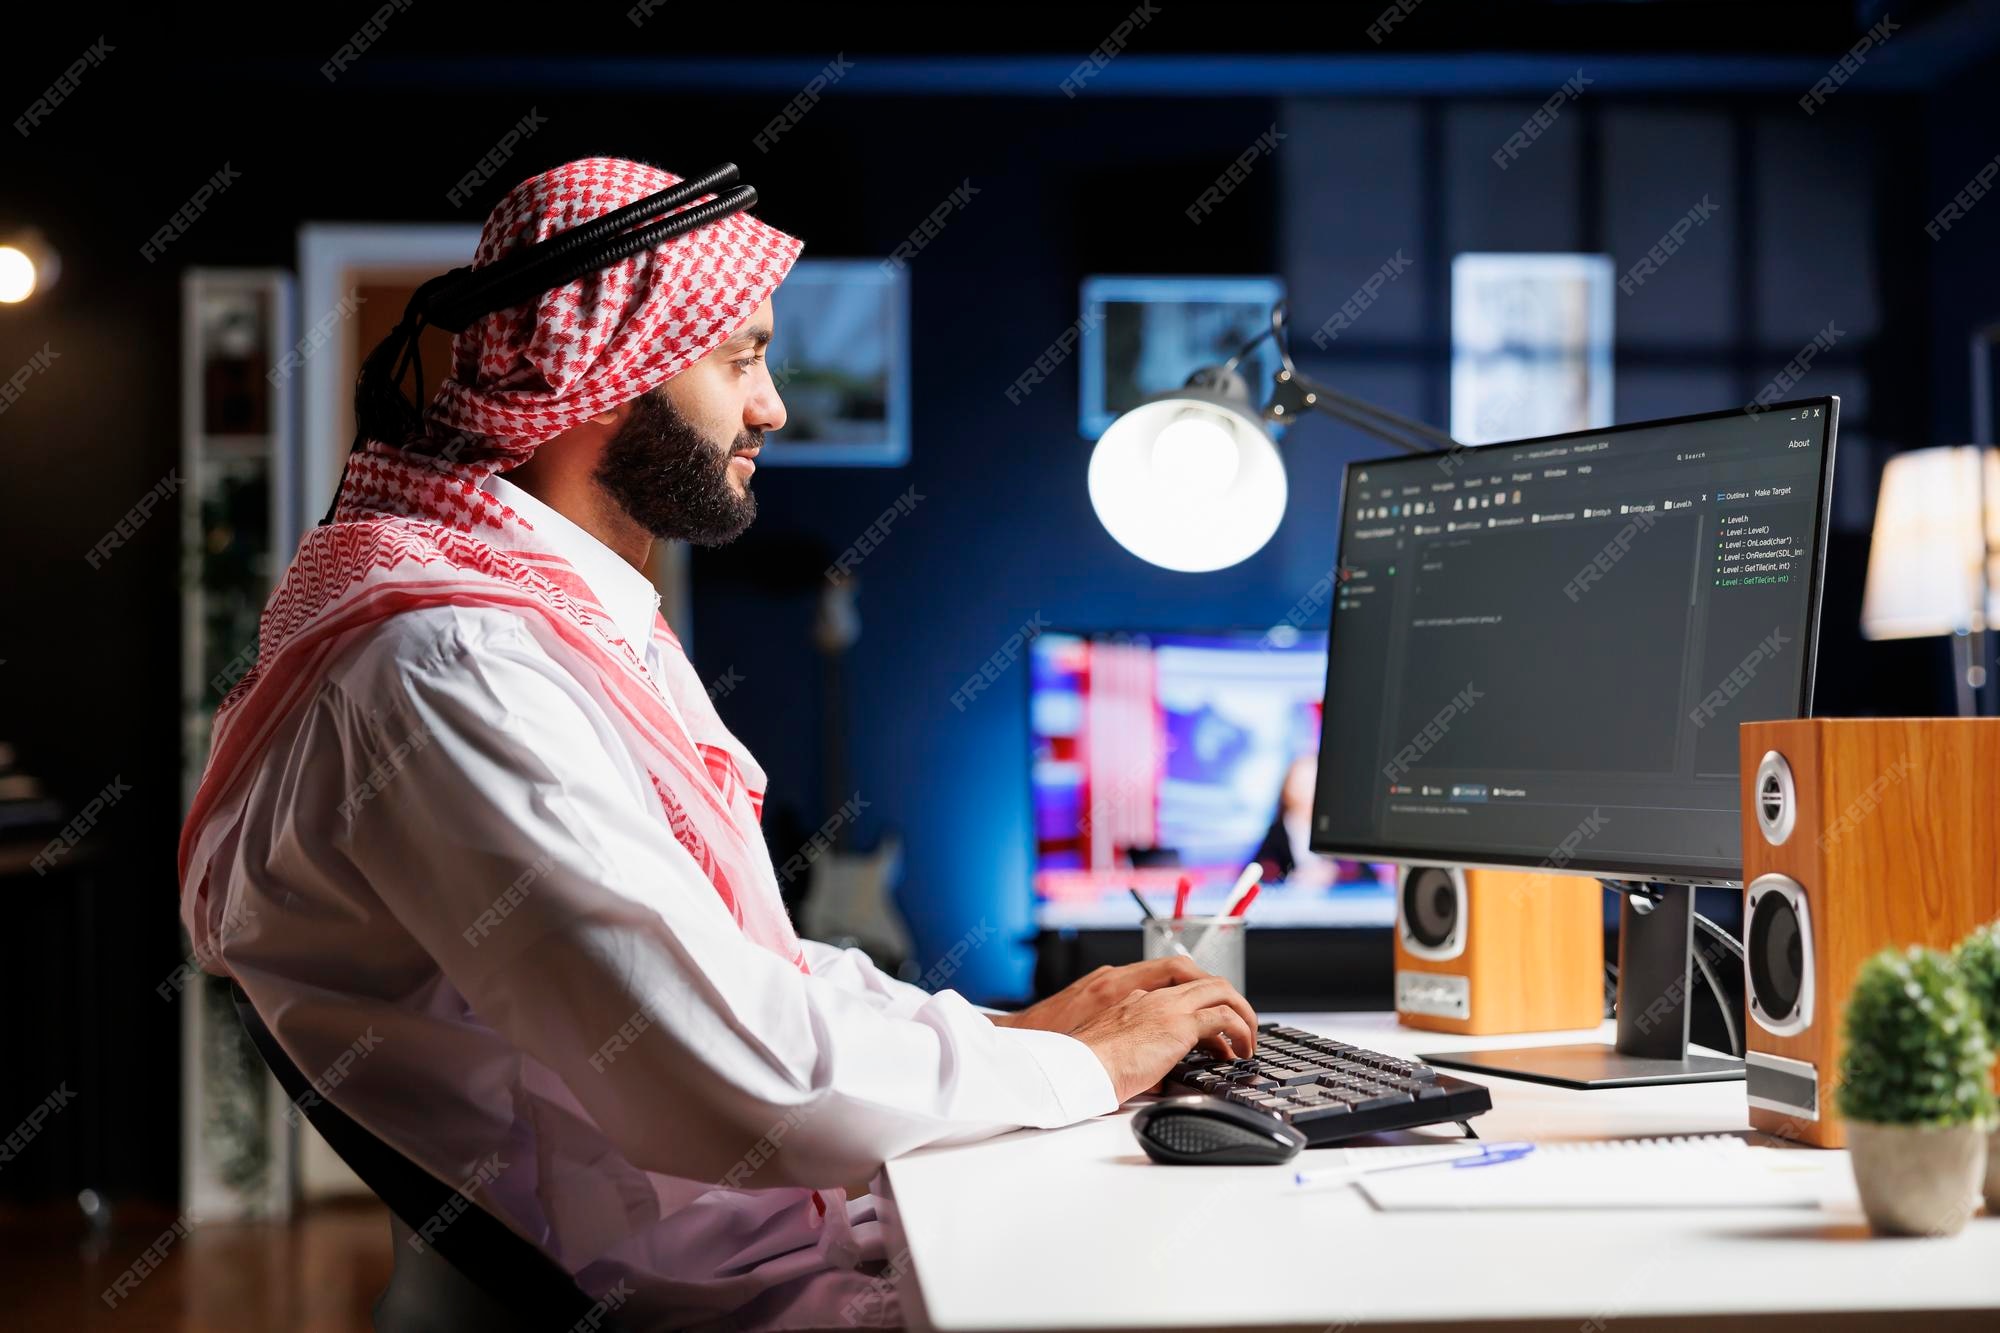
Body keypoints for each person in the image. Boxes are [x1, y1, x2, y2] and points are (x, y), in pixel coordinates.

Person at [177, 158, 1255, 1331]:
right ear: (605, 375)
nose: (773, 405)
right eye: (739, 356)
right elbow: (734, 1075)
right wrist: (1086, 1066)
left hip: (758, 1234)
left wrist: (1009, 1030)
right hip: (712, 1295)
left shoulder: (558, 619)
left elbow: (750, 971)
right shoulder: (456, 665)